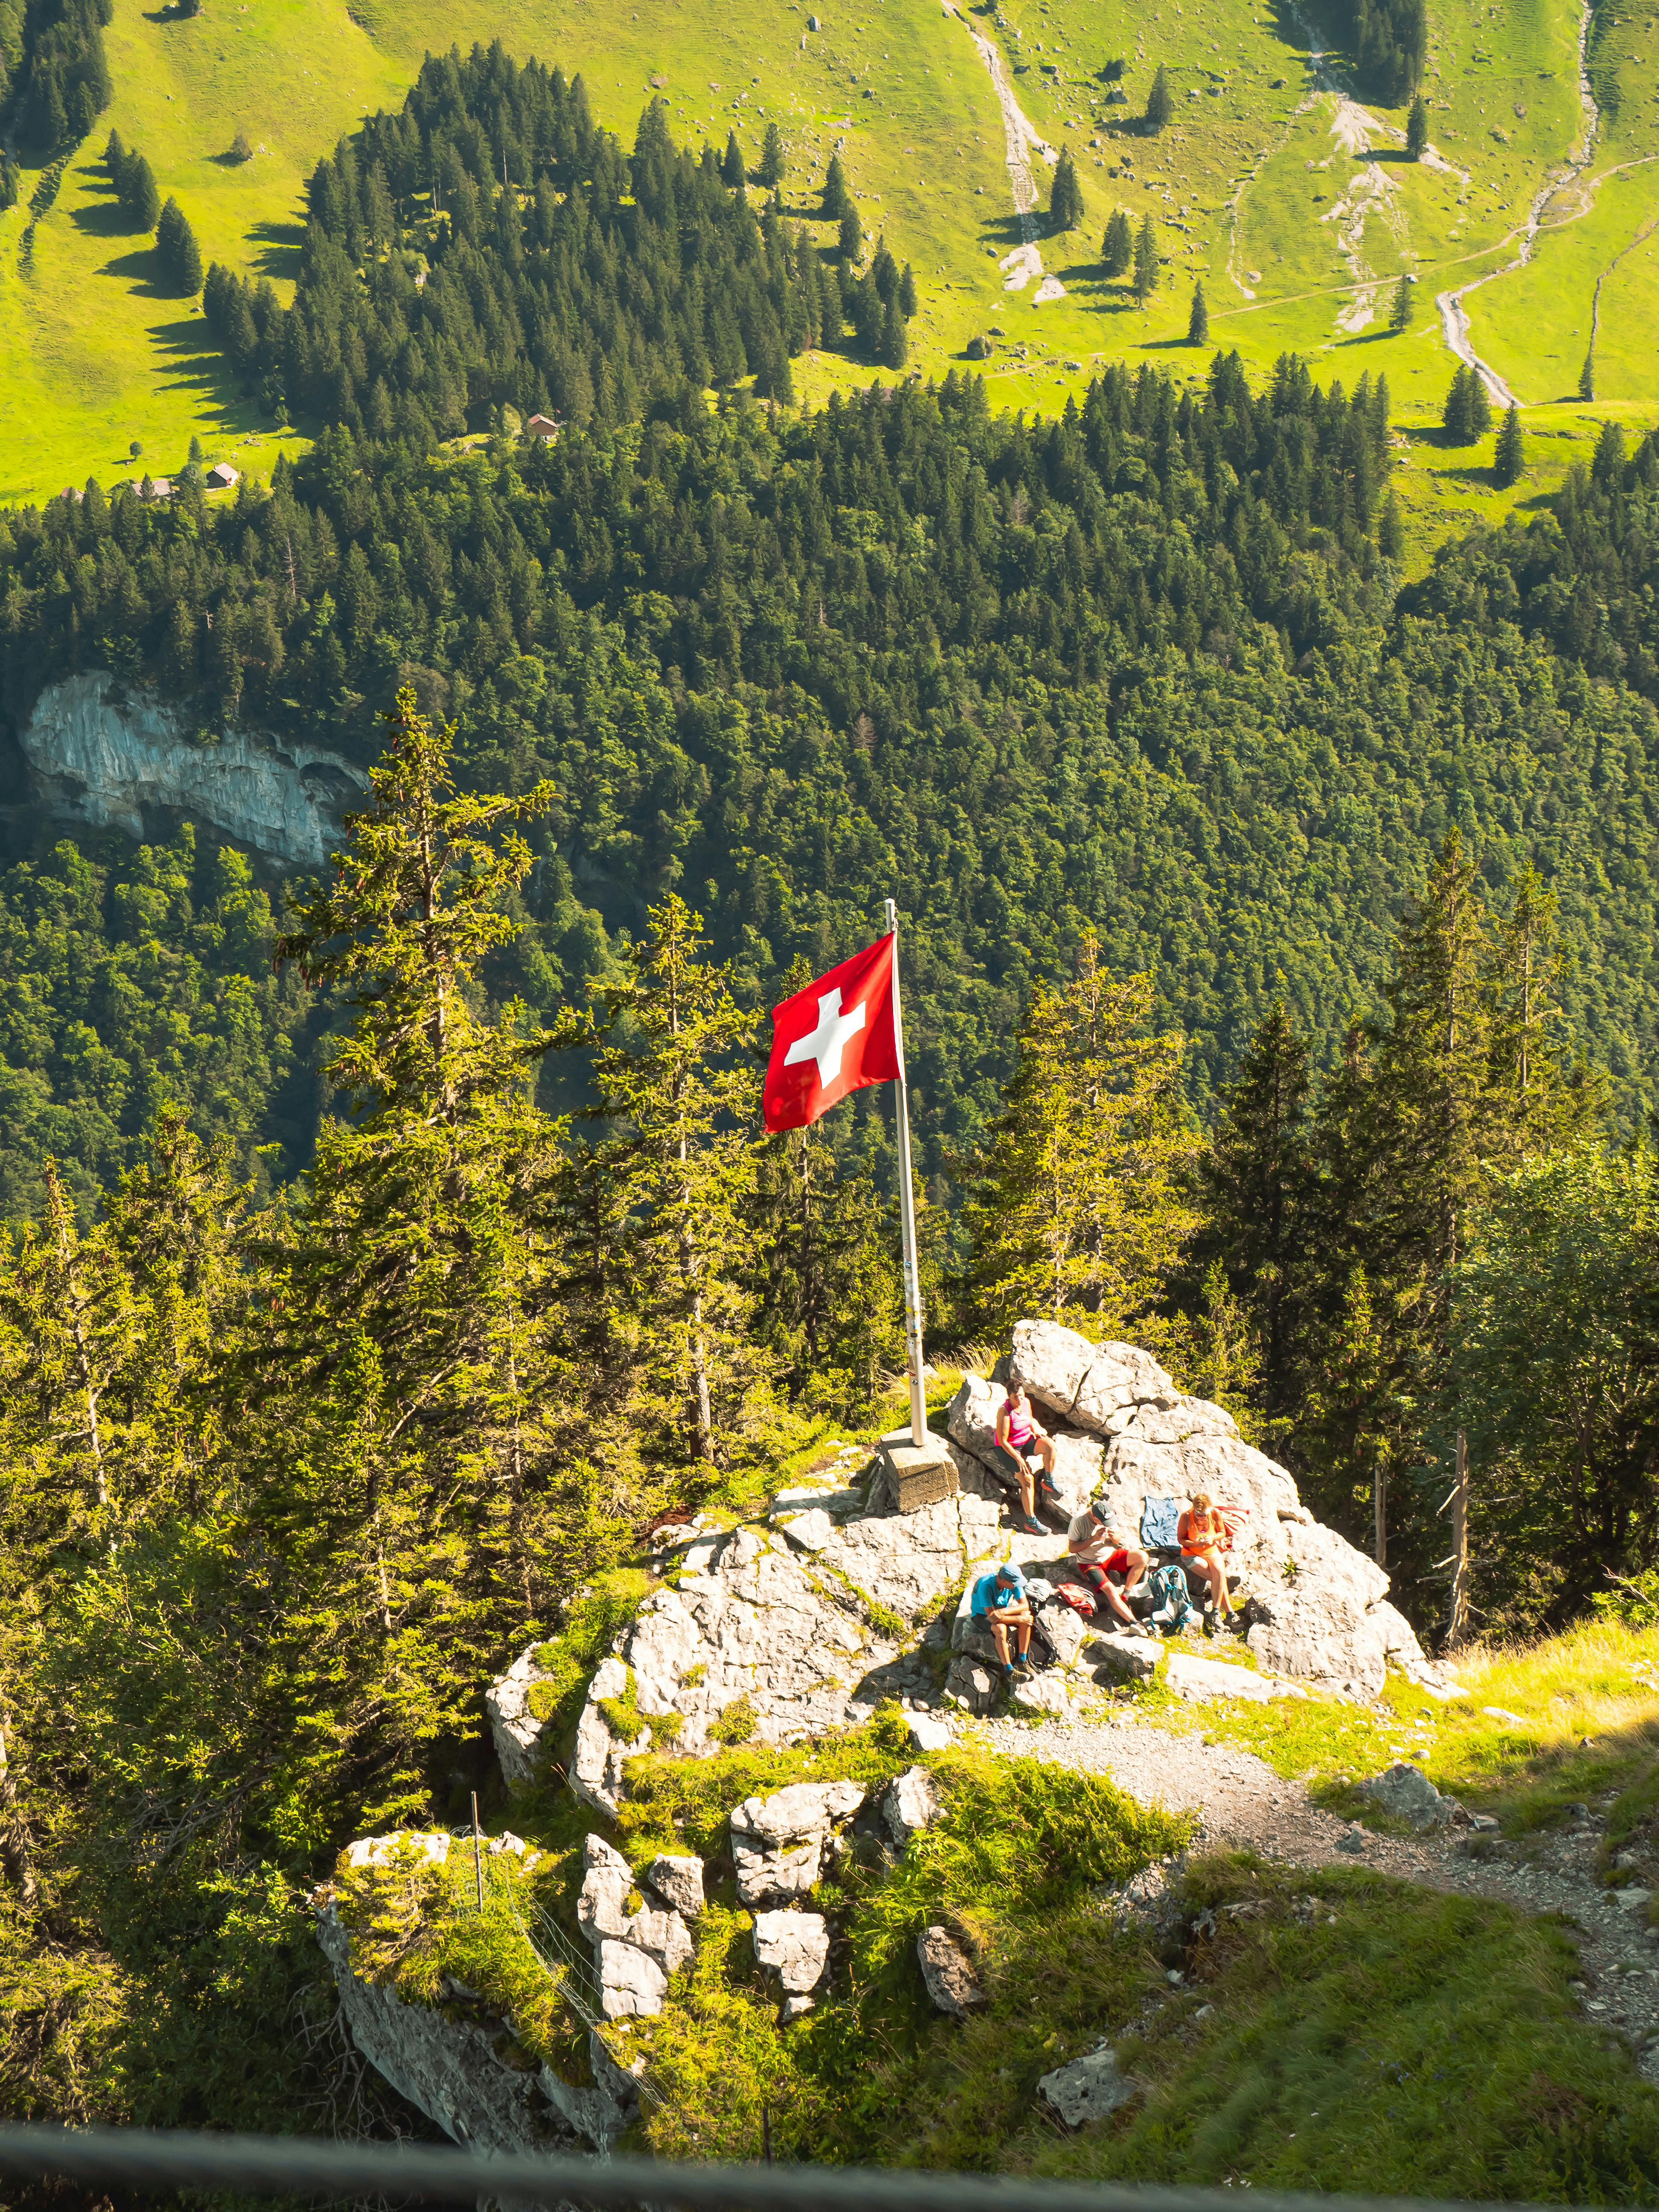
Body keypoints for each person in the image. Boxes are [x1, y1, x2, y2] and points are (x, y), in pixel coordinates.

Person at [1067, 1499, 1152, 1630]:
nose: (1107, 1525)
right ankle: (1134, 1623)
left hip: (1110, 1555)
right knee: (1111, 1590)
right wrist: (1093, 1539)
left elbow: (1117, 1540)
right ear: (1094, 1516)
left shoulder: (1108, 1514)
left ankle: (1127, 1592)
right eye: (1103, 1523)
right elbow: (1072, 1548)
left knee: (1143, 1557)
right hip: (1089, 1563)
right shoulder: (1079, 1521)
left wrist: (1115, 1537)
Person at [995, 1380, 1058, 1536]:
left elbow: (1031, 1420)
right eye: (1016, 1397)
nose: (1020, 1400)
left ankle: (1049, 1480)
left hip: (1025, 1440)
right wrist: (1019, 1459)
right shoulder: (1005, 1412)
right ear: (1009, 1396)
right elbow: (1003, 1441)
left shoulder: (1026, 1403)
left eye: (1022, 1396)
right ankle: (1031, 1522)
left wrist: (1036, 1429)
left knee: (1050, 1446)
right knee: (1028, 1480)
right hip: (1008, 1448)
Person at [969, 1560, 1033, 1681]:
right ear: (1004, 1581)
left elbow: (1025, 1605)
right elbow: (993, 1618)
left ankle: (1022, 1661)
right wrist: (1019, 1619)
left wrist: (1004, 1612)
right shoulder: (985, 1586)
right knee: (1001, 1629)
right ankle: (1009, 1672)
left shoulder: (1013, 1583)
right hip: (981, 1616)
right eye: (1014, 1583)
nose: (1016, 1585)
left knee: (1026, 1615)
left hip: (1001, 1611)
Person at [1178, 1490, 1234, 1623]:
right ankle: (1229, 1612)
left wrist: (1213, 1537)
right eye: (1199, 1515)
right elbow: (1181, 1540)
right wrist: (1196, 1544)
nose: (1202, 1518)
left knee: (1220, 1573)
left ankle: (1216, 1609)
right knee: (1218, 1579)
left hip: (1211, 1551)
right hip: (1191, 1554)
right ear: (1194, 1509)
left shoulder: (1214, 1513)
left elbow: (1222, 1532)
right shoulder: (1186, 1517)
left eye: (1205, 1515)